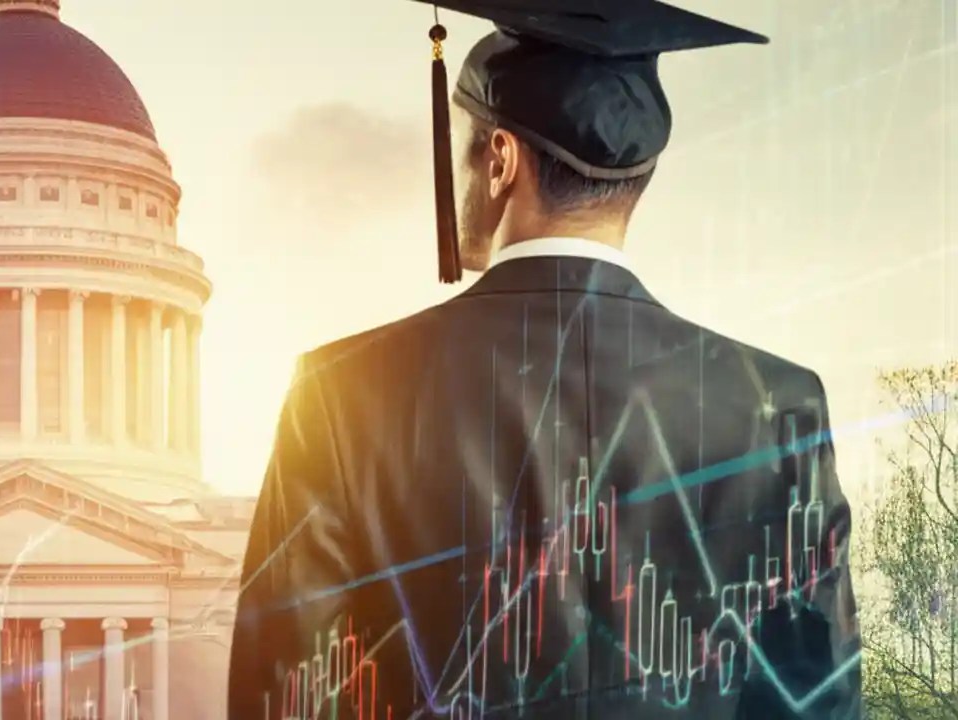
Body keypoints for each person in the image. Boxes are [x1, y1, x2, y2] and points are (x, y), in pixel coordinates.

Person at [226, 1, 862, 717]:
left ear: (500, 160)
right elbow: (817, 700)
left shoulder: (338, 394)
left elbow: (286, 698)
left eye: (467, 147)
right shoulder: (779, 407)